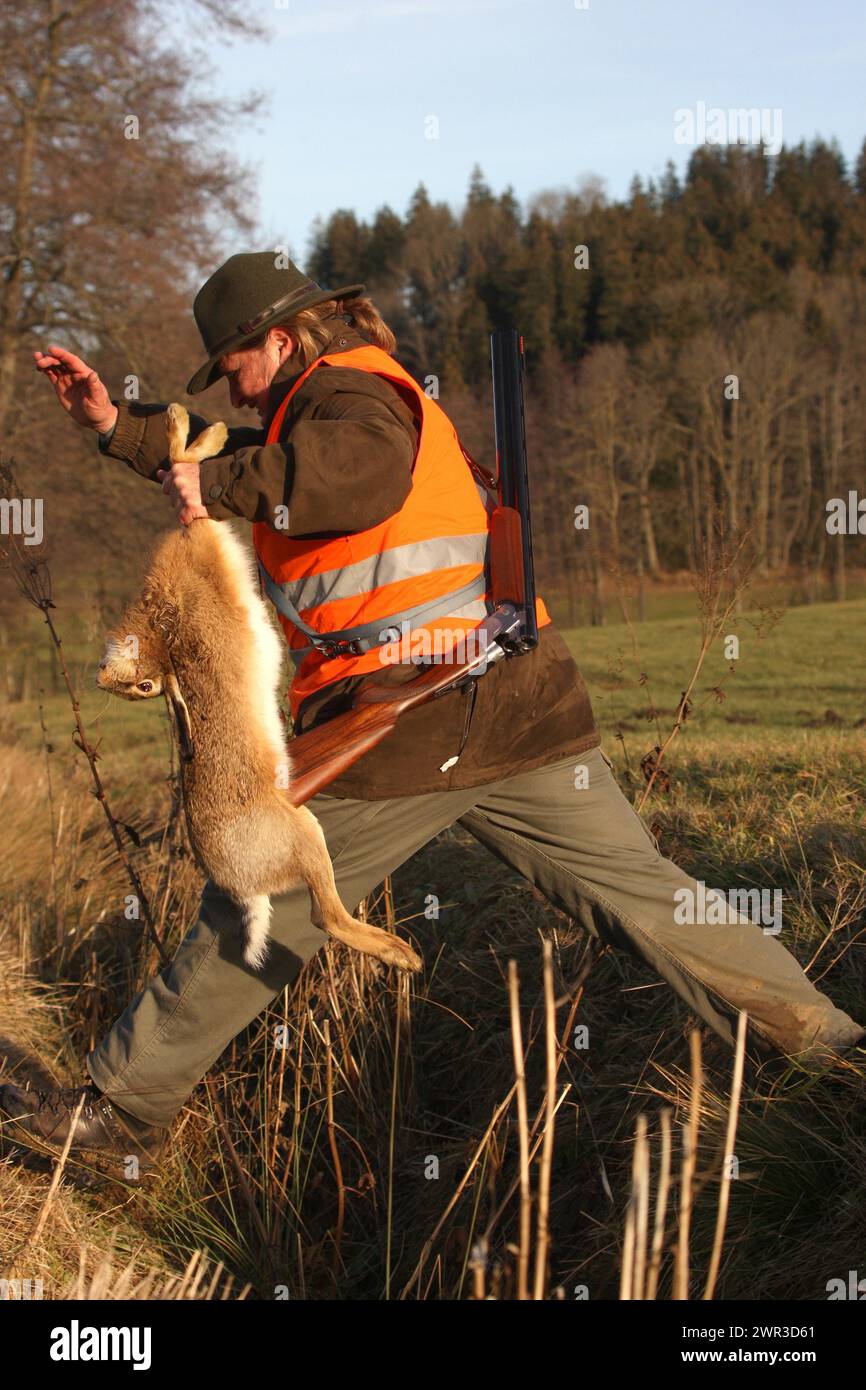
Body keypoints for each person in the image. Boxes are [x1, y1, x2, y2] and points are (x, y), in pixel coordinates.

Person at [2, 252, 861, 1160]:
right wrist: (111, 423)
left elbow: (350, 475)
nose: (237, 389)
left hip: (418, 713)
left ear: (280, 341)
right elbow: (235, 451)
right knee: (654, 901)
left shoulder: (353, 402)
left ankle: (121, 1110)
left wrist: (217, 491)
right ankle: (830, 1055)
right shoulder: (328, 402)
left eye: (235, 367)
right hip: (521, 704)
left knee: (265, 895)